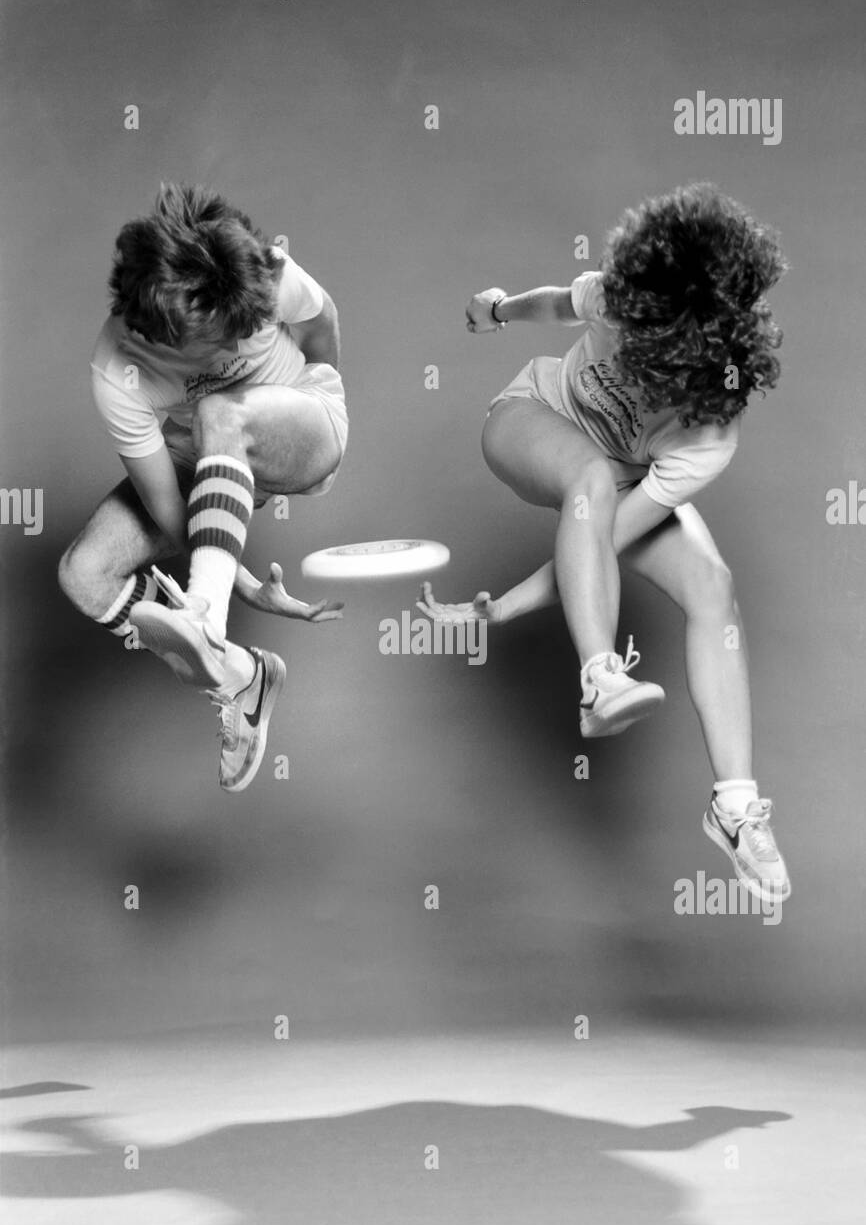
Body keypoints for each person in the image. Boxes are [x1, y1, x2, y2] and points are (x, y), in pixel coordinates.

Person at [419, 183, 790, 901]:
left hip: (612, 490)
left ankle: (736, 808)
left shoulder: (709, 439)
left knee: (713, 586)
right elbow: (560, 302)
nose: (649, 383)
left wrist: (499, 610)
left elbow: (605, 540)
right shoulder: (629, 298)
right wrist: (495, 310)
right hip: (528, 423)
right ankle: (600, 677)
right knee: (589, 474)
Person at [58, 183, 347, 792]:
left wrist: (317, 406)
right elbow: (171, 511)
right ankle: (240, 674)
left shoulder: (257, 272)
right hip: (210, 463)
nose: (243, 339)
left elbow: (323, 323)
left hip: (298, 420)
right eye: (223, 338)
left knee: (222, 412)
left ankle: (204, 617)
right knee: (83, 575)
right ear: (162, 336)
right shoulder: (119, 374)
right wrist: (240, 582)